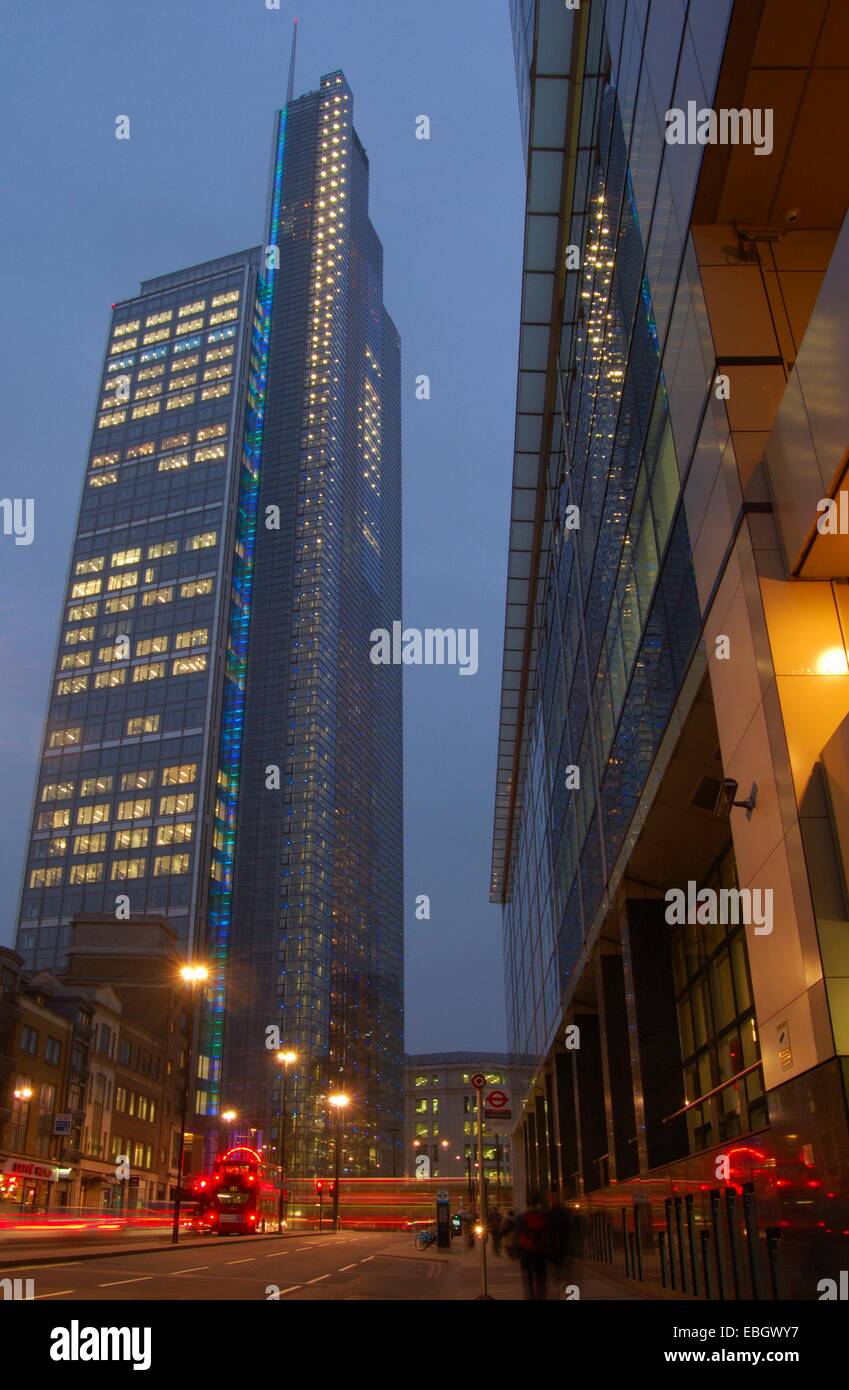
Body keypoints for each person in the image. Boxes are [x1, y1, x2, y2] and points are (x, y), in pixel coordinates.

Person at [516, 1192, 550, 1299]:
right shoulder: (544, 1217)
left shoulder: (521, 1218)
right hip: (540, 1252)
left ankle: (530, 1297)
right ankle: (541, 1296)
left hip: (526, 1253)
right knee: (541, 1279)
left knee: (528, 1280)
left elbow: (518, 1236)